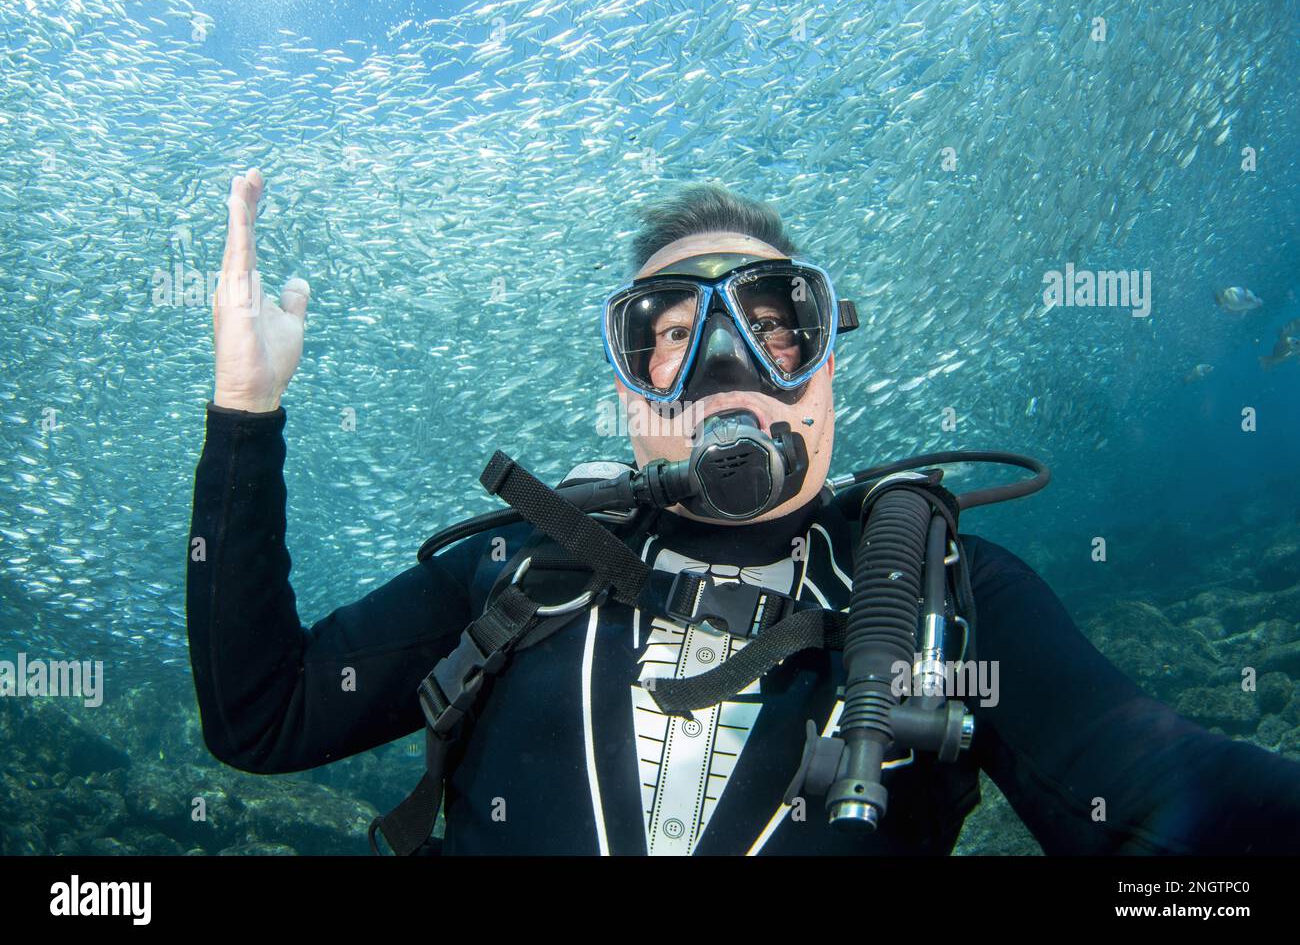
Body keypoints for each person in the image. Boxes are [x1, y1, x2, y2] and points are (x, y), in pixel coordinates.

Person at [187, 168, 1300, 855]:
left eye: (777, 327)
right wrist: (246, 412)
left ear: (828, 375)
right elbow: (263, 718)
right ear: (628, 392)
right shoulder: (515, 577)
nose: (727, 366)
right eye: (670, 333)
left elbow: (1158, 793)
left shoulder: (936, 601)